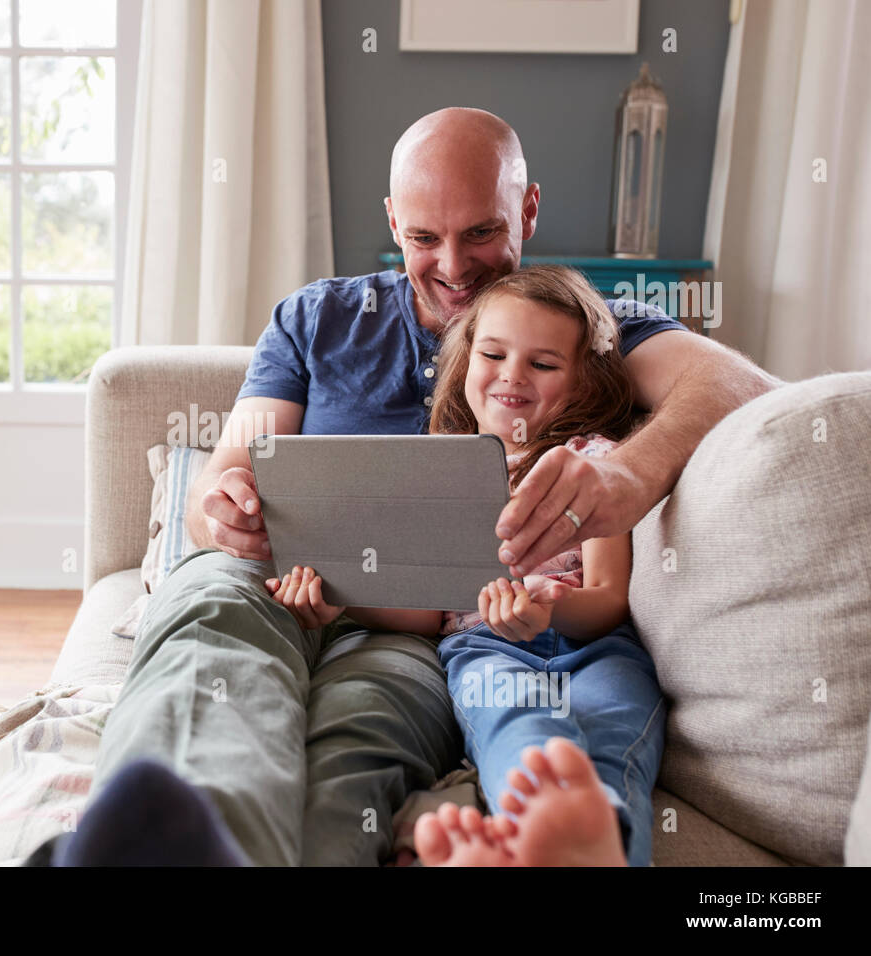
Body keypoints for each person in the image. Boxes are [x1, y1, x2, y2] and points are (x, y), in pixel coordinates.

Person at [81, 107, 778, 867]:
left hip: (414, 630)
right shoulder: (318, 319)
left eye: (482, 232)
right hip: (279, 576)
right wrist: (221, 516)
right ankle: (157, 844)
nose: (452, 264)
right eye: (422, 238)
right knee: (213, 612)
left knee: (357, 739)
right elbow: (225, 474)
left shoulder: (585, 325)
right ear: (392, 221)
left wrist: (625, 476)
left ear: (529, 210)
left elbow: (747, 389)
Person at [267, 265, 663, 865]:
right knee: (514, 719)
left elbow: (609, 597)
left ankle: (592, 840)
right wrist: (339, 596)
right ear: (466, 360)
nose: (512, 376)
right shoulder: (440, 470)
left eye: (544, 364)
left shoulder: (593, 461)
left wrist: (550, 605)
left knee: (613, 731)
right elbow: (427, 613)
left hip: (599, 649)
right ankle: (538, 826)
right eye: (494, 354)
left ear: (584, 383)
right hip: (486, 649)